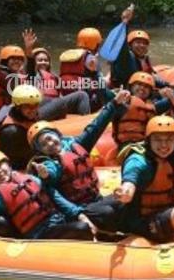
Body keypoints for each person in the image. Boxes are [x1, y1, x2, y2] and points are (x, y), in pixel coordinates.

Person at [26, 89, 130, 230]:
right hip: (79, 207)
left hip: (96, 198)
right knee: (108, 212)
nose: (50, 144)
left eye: (50, 138)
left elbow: (95, 127)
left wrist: (114, 104)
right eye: (44, 144)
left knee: (125, 199)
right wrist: (46, 174)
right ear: (40, 150)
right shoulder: (49, 162)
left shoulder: (77, 144)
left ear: (58, 136)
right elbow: (52, 173)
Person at [0, 150, 99, 241]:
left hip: (58, 222)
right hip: (39, 235)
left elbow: (57, 198)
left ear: (8, 165)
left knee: (87, 221)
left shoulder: (32, 179)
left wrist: (78, 214)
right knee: (82, 228)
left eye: (1, 166)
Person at [0, 31, 90, 123]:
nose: (17, 61)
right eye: (12, 59)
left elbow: (30, 72)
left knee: (80, 95)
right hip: (20, 117)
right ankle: (82, 127)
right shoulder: (3, 77)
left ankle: (83, 122)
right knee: (60, 103)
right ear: (5, 62)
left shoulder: (18, 76)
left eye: (19, 59)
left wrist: (29, 50)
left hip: (28, 110)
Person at [112, 71, 173, 149]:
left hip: (146, 145)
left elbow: (168, 102)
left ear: (150, 92)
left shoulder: (152, 106)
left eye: (146, 87)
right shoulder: (120, 103)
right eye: (139, 84)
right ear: (131, 86)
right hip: (127, 146)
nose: (142, 88)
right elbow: (104, 94)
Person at [109, 6, 166, 88]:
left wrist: (166, 85)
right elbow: (120, 42)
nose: (142, 45)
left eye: (144, 43)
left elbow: (150, 76)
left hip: (140, 89)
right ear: (130, 45)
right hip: (125, 92)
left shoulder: (144, 59)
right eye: (138, 42)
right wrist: (124, 22)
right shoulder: (125, 57)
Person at [58, 26, 106, 110]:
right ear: (96, 44)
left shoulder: (68, 54)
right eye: (99, 44)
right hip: (86, 101)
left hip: (67, 97)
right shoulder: (91, 58)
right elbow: (100, 82)